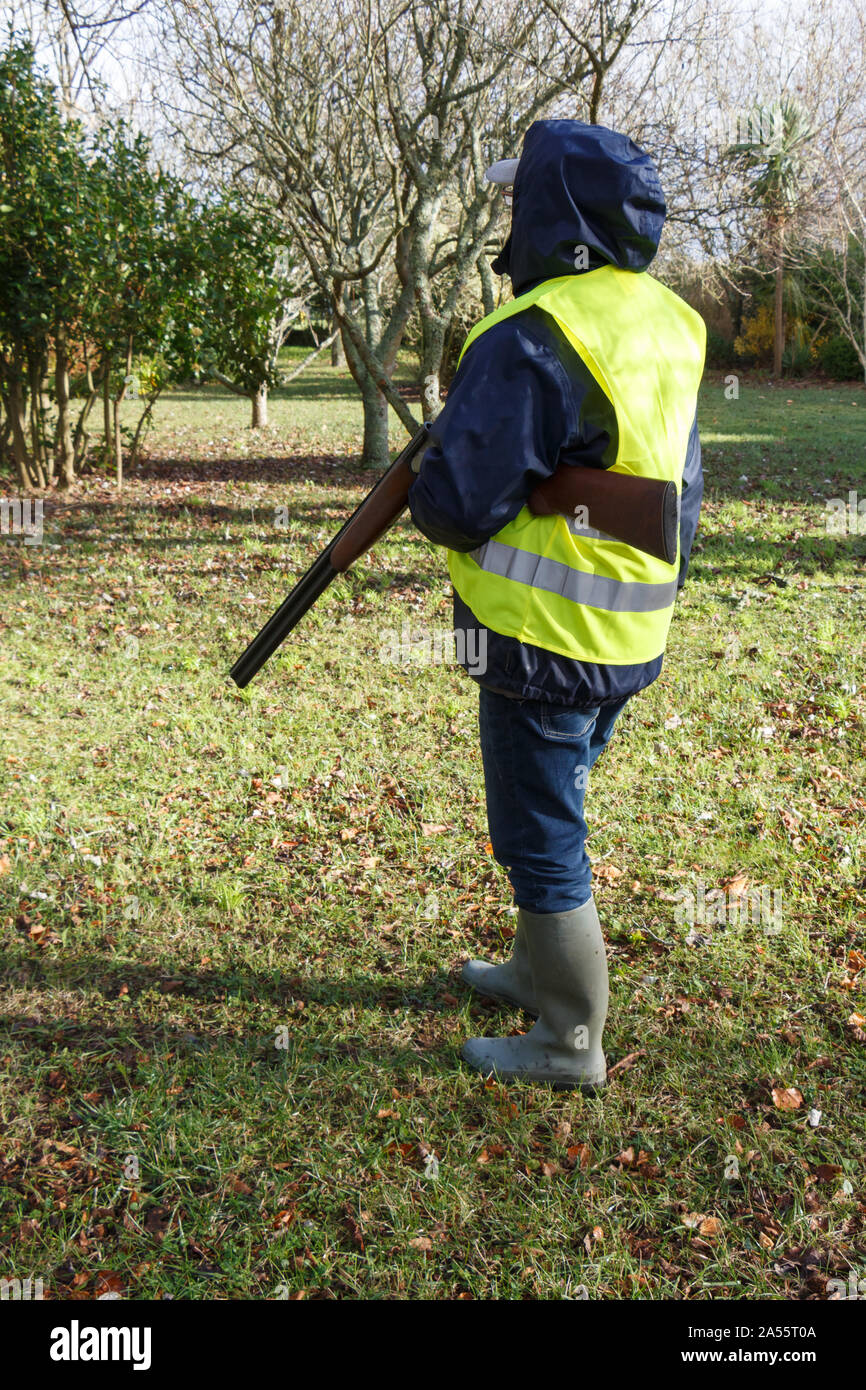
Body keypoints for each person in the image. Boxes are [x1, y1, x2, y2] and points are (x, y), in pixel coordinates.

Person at [407, 119, 705, 1091]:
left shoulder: (530, 332)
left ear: (550, 213)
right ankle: (535, 969)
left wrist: (429, 479)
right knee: (555, 814)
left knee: (539, 839)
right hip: (627, 632)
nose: (508, 215)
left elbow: (457, 507)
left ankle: (569, 1040)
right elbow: (677, 494)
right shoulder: (672, 321)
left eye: (516, 198)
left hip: (539, 643)